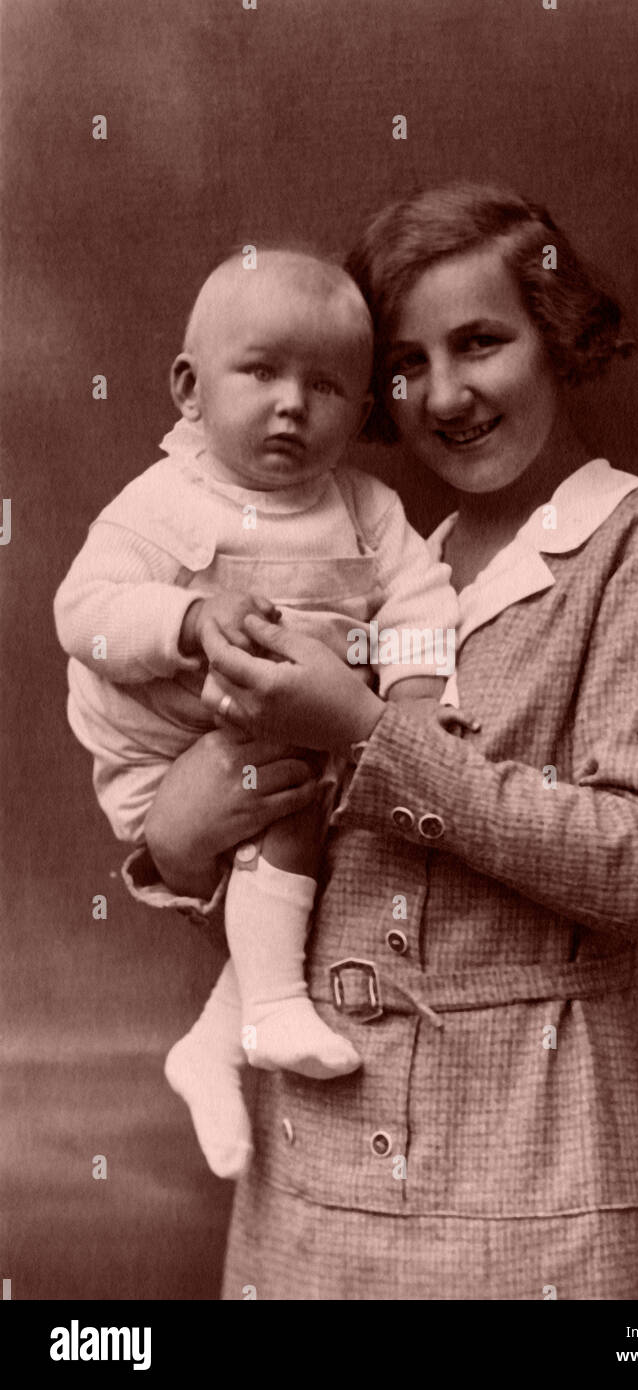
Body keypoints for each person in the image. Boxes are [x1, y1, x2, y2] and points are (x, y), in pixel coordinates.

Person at [131, 184, 638, 1299]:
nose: (445, 394)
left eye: (480, 343)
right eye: (407, 363)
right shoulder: (386, 560)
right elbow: (294, 854)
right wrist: (176, 851)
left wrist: (368, 730)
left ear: (558, 337)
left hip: (538, 1160)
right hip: (312, 1155)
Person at [53, 248, 464, 1181]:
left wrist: (406, 698)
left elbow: (418, 601)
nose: (292, 404)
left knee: (336, 850)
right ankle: (264, 1008)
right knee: (299, 819)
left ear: (360, 416)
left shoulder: (365, 507)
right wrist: (190, 619)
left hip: (290, 746)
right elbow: (81, 611)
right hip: (161, 752)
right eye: (262, 371)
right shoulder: (165, 499)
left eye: (326, 387)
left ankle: (225, 1035)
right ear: (189, 389)